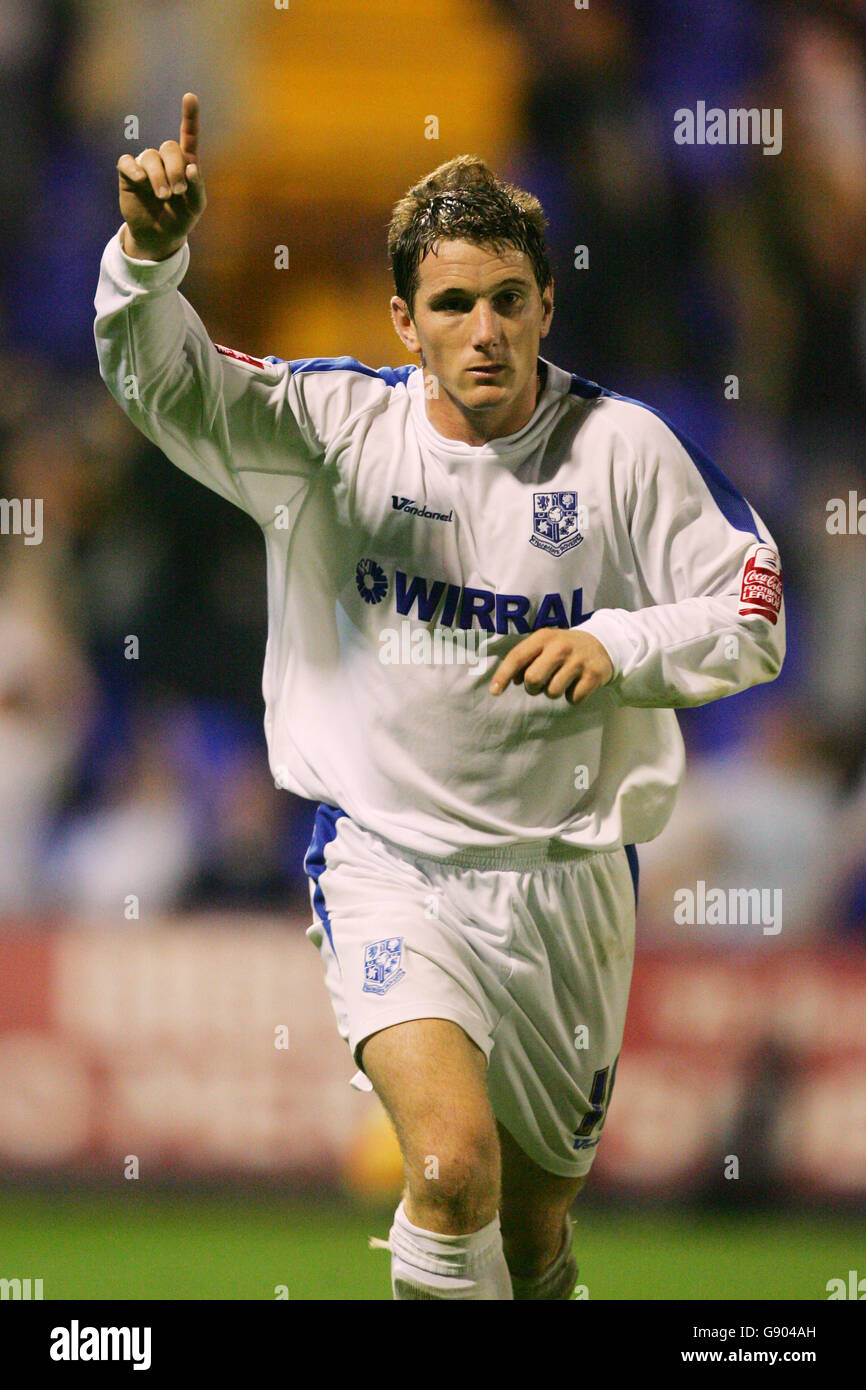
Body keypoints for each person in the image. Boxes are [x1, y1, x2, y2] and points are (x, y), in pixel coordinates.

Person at [94, 94, 785, 1300]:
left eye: (508, 299)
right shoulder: (329, 428)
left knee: (531, 1233)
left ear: (544, 306)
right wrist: (149, 259)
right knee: (450, 1168)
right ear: (402, 319)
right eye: (453, 304)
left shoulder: (621, 450)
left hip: (567, 880)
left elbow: (752, 606)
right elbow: (170, 386)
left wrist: (616, 642)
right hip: (389, 861)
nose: (484, 330)